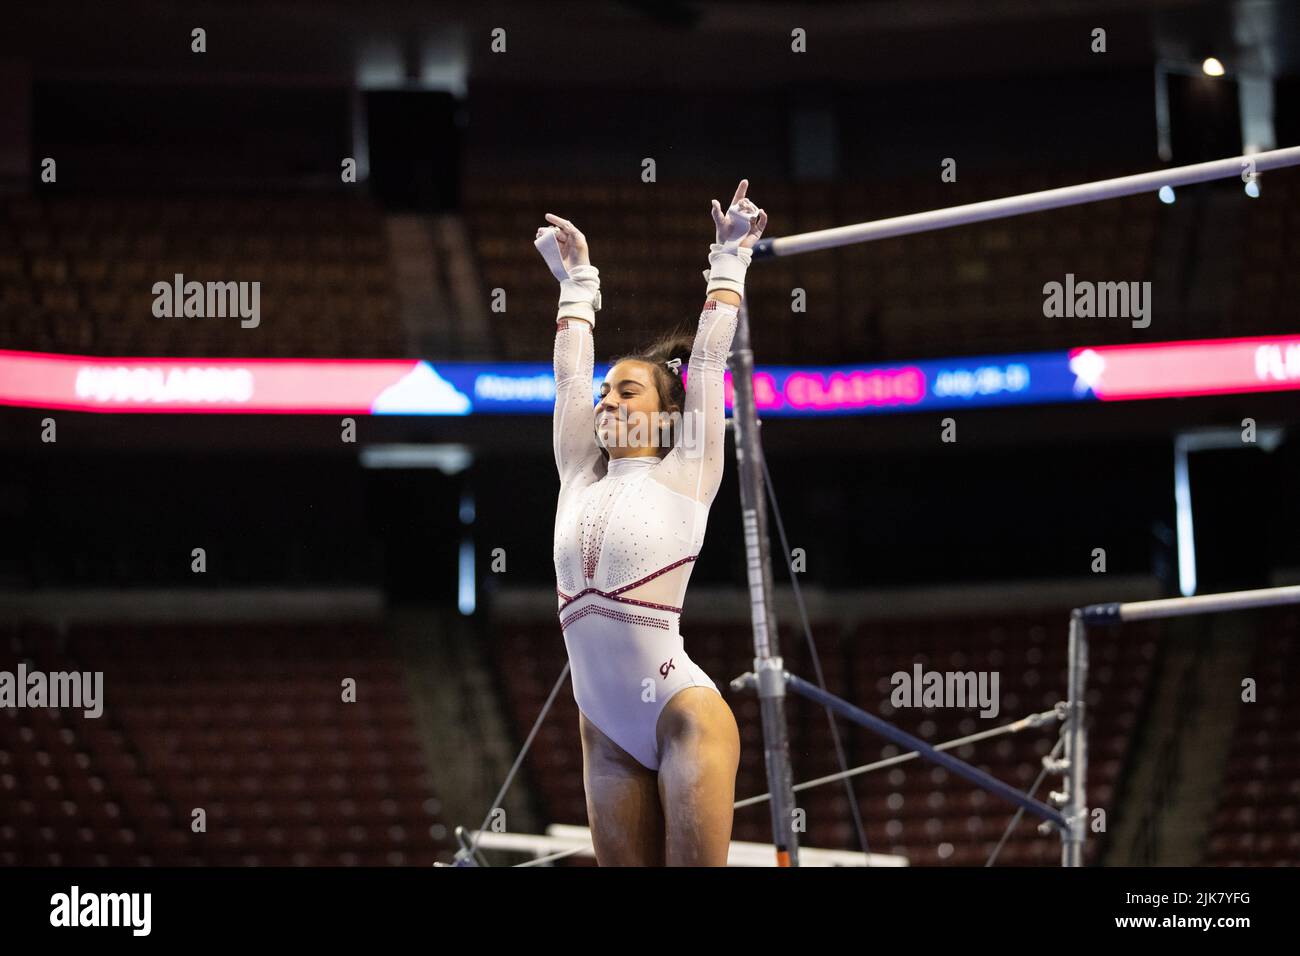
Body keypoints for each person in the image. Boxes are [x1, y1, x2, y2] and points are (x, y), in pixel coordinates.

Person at [540, 179, 768, 865]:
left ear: (667, 415)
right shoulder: (579, 472)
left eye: (627, 390)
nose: (606, 399)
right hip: (602, 729)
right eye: (605, 389)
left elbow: (705, 360)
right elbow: (568, 382)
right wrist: (577, 282)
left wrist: (729, 262)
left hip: (681, 713)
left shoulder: (686, 472)